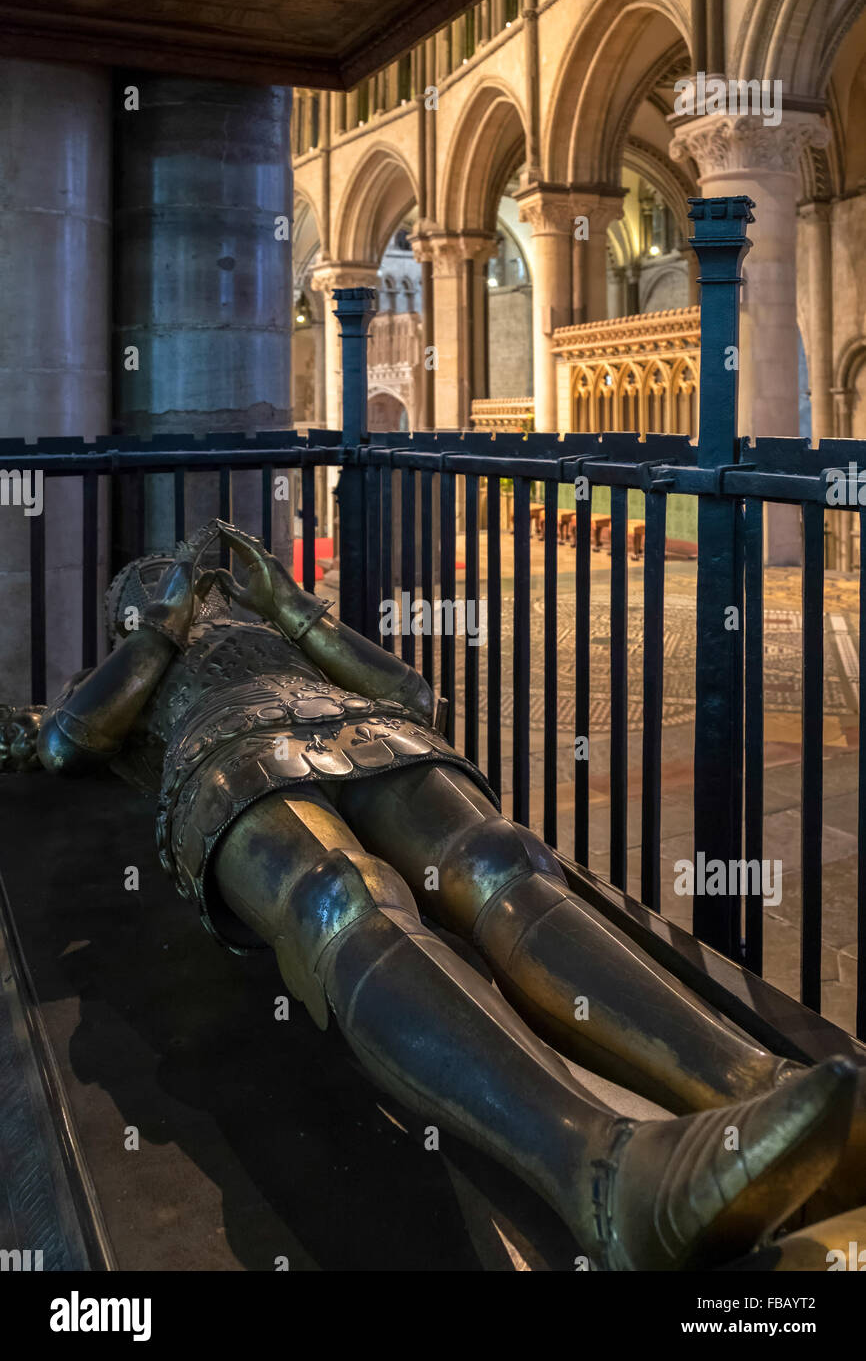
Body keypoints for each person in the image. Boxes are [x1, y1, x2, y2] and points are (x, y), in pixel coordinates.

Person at [22, 519, 864, 1270]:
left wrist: (288, 604)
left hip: (362, 727)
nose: (190, 587)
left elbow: (410, 695)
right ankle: (607, 1172)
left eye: (193, 580)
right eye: (156, 581)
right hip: (229, 761)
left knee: (501, 860)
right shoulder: (134, 665)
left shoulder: (272, 628)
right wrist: (157, 631)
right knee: (341, 896)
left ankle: (761, 1085)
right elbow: (67, 742)